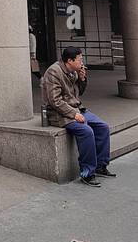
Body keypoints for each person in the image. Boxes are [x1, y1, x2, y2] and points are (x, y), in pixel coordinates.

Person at [42, 46, 113, 186]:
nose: (82, 62)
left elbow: (78, 93)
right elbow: (54, 101)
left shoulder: (73, 71)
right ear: (70, 60)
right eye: (80, 60)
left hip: (77, 108)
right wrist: (74, 114)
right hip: (59, 113)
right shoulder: (53, 72)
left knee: (103, 127)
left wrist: (82, 79)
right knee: (86, 131)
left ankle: (100, 165)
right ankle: (87, 173)